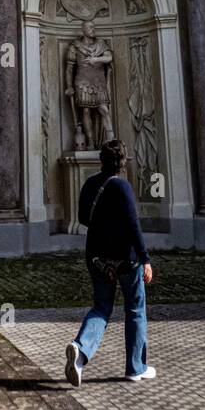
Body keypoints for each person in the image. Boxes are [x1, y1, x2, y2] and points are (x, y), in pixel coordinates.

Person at [65, 139, 155, 386]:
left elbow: (84, 218)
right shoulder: (122, 187)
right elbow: (133, 225)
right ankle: (136, 367)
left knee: (101, 308)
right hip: (125, 260)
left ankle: (80, 351)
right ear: (122, 162)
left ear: (101, 160)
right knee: (135, 310)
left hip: (97, 258)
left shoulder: (90, 184)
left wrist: (103, 227)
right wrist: (145, 259)